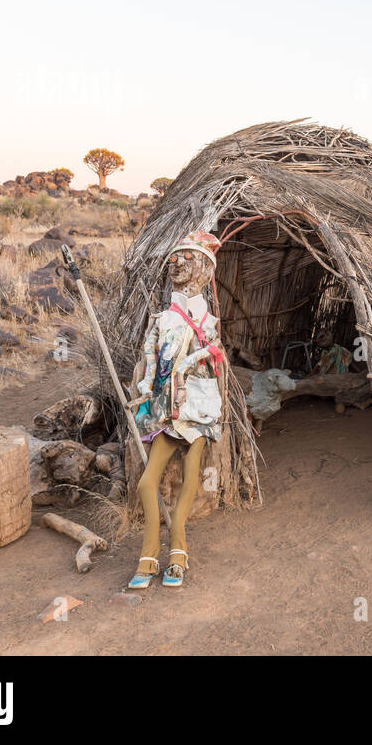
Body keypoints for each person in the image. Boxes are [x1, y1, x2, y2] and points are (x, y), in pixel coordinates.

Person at [128, 231, 225, 589]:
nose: (179, 264)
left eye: (189, 258)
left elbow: (215, 354)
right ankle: (150, 554)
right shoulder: (161, 318)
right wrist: (144, 387)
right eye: (175, 258)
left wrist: (187, 364)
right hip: (164, 412)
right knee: (146, 483)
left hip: (197, 410)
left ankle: (176, 553)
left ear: (205, 268)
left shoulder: (209, 321)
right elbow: (152, 357)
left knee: (188, 483)